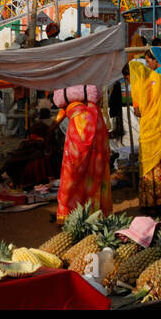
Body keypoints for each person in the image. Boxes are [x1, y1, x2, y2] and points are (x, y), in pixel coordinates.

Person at [54, 85, 112, 219]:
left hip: (77, 137)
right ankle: (97, 212)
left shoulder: (68, 104)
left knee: (73, 173)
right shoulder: (93, 105)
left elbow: (57, 119)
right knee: (96, 171)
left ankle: (69, 214)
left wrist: (48, 132)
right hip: (97, 131)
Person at [129, 54, 161, 212]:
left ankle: (150, 203)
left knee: (149, 165)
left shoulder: (137, 87)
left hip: (149, 130)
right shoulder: (159, 79)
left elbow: (137, 111)